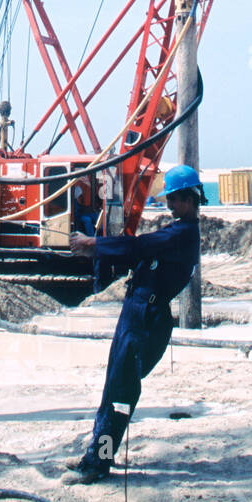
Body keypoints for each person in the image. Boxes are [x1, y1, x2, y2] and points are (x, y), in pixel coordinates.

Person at [63, 164, 203, 485]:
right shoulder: (177, 231)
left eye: (172, 199)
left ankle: (100, 462)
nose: (168, 205)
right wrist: (99, 250)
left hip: (146, 318)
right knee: (112, 387)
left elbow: (139, 246)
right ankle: (95, 454)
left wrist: (94, 246)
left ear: (187, 198)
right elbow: (137, 251)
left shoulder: (182, 234)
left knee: (121, 393)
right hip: (137, 313)